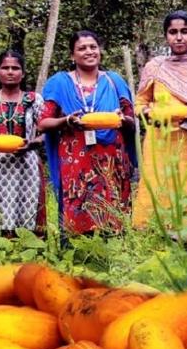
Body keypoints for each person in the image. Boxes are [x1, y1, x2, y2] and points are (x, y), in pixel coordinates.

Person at [39, 30, 138, 235]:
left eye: (93, 47)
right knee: (77, 212)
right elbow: (43, 123)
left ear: (99, 51)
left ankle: (115, 257)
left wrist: (121, 120)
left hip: (112, 162)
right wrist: (66, 120)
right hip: (76, 162)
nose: (89, 51)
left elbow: (132, 122)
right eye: (82, 48)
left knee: (114, 214)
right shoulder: (60, 83)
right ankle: (76, 258)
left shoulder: (113, 81)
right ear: (72, 55)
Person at [132, 11, 187, 236]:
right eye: (173, 32)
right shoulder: (155, 67)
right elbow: (139, 103)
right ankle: (156, 233)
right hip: (159, 141)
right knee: (160, 185)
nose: (179, 37)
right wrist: (150, 112)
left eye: (184, 32)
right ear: (165, 36)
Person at [0, 50, 46, 236]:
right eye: (5, 68)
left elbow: (45, 134)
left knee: (28, 215)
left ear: (22, 73)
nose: (10, 72)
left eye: (15, 68)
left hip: (26, 166)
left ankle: (27, 256)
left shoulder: (34, 99)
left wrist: (31, 144)